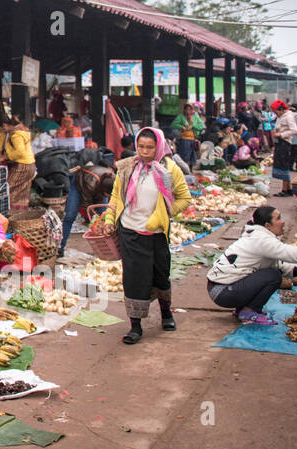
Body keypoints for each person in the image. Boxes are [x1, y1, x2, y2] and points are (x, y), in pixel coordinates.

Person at [102, 127, 191, 344]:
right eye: (140, 146)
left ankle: (166, 313)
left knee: (160, 275)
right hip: (130, 232)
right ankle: (135, 326)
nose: (143, 151)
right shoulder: (127, 168)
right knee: (134, 280)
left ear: (158, 147)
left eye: (149, 148)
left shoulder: (170, 170)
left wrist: (165, 213)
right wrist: (109, 220)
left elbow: (184, 198)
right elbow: (115, 197)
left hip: (157, 234)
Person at [206, 206, 297, 324]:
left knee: (270, 273)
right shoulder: (262, 240)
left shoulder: (257, 236)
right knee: (273, 276)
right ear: (267, 225)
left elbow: (275, 263)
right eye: (278, 218)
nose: (283, 221)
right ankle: (249, 311)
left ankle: (243, 308)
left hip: (221, 289)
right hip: (223, 292)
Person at [62, 153, 115, 255]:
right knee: (70, 215)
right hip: (79, 183)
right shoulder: (90, 184)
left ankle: (105, 250)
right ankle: (60, 247)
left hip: (98, 186)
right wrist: (94, 220)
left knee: (104, 217)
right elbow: (87, 206)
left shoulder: (113, 179)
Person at [0, 112, 35, 211]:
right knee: (22, 192)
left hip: (22, 165)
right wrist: (0, 152)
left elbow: (20, 153)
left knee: (8, 189)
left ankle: (11, 213)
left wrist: (4, 157)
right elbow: (2, 139)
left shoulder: (15, 135)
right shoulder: (10, 132)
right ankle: (19, 215)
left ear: (4, 125)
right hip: (30, 165)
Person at [171, 102, 204, 167]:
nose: (188, 111)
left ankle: (191, 168)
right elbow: (173, 124)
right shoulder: (181, 117)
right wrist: (181, 127)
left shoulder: (195, 116)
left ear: (192, 110)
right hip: (184, 139)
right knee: (185, 155)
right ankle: (185, 168)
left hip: (193, 138)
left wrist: (193, 126)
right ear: (184, 110)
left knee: (193, 155)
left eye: (190, 109)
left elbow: (201, 126)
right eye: (187, 109)